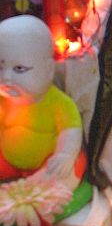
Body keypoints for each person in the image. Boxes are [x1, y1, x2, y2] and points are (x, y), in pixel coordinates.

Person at [0, 15, 86, 192]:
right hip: (7, 160)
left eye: (19, 69)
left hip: (46, 162)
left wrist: (65, 154)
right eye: (0, 68)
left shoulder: (58, 103)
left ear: (49, 70)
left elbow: (70, 131)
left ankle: (40, 187)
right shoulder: (3, 101)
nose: (6, 77)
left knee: (73, 164)